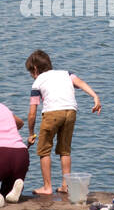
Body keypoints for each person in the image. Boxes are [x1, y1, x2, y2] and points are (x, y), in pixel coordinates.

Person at [24, 50, 101, 195]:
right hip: (71, 112)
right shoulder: (66, 73)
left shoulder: (37, 82)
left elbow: (32, 114)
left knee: (44, 150)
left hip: (52, 113)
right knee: (65, 150)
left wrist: (30, 133)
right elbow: (81, 83)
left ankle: (47, 187)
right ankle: (65, 186)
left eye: (30, 72)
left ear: (35, 69)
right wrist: (95, 96)